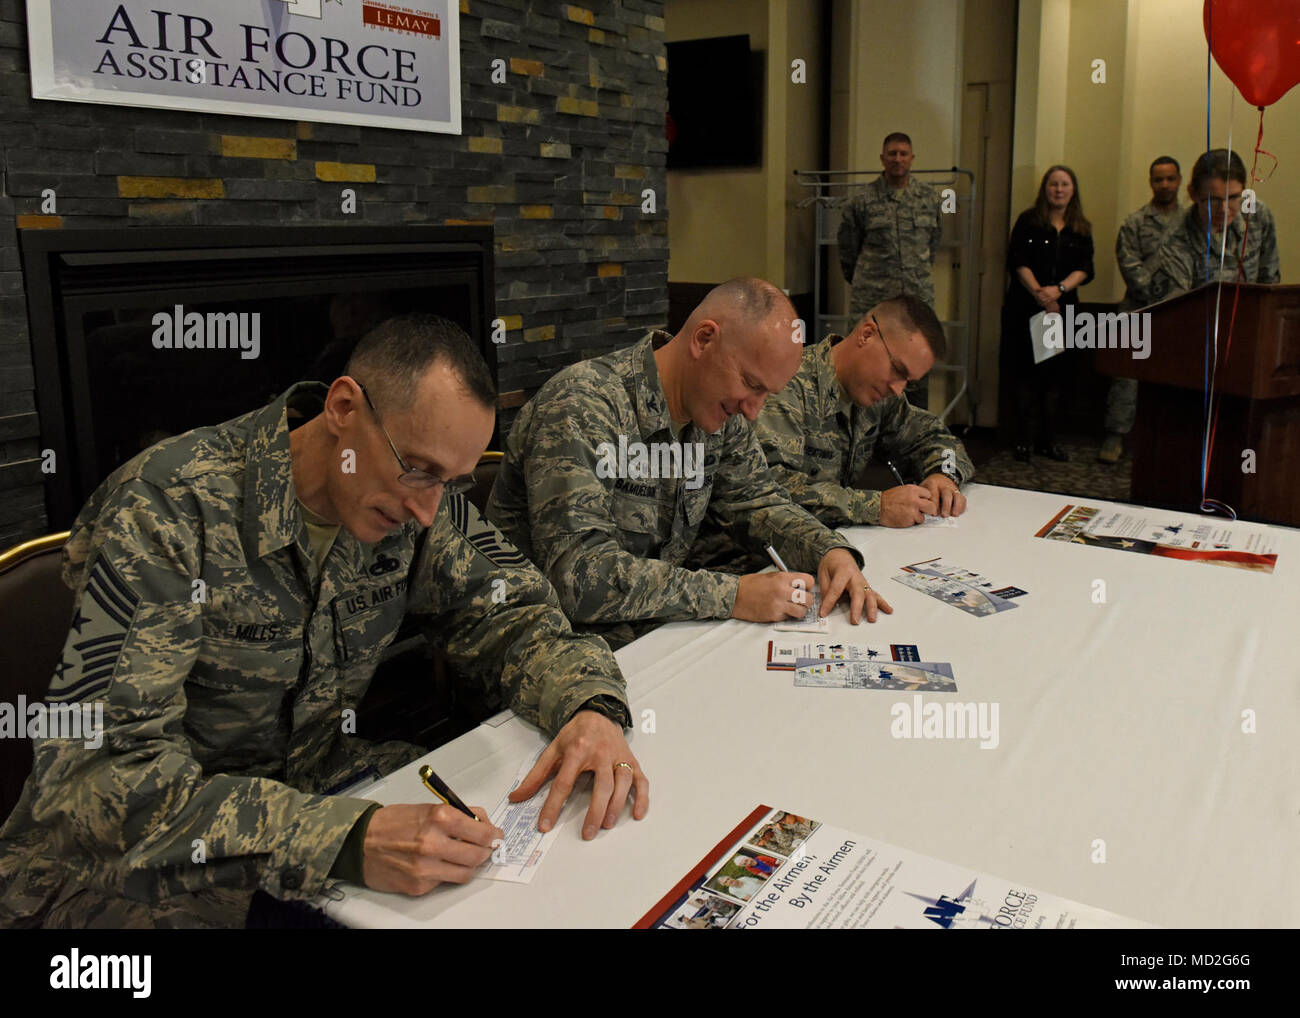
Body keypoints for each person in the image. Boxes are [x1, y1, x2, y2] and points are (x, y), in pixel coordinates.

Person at [0, 313, 648, 929]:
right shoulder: (167, 507)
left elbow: (517, 614)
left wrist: (588, 706)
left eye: (449, 483)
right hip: (133, 866)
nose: (429, 512)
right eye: (419, 470)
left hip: (321, 784)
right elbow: (99, 778)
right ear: (343, 409)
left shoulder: (412, 498)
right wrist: (342, 836)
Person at [486, 278, 889, 651]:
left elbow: (759, 504)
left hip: (648, 633)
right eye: (751, 384)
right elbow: (580, 578)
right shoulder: (584, 404)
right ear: (704, 339)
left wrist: (829, 551)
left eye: (767, 393)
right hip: (551, 649)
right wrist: (733, 595)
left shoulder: (719, 414)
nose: (753, 412)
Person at [753, 295, 974, 530]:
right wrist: (876, 507)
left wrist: (944, 475)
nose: (898, 390)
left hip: (827, 543)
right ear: (867, 335)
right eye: (898, 370)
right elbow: (770, 492)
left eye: (908, 382)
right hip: (757, 557)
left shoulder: (880, 396)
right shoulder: (788, 387)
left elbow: (937, 438)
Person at [837, 132, 944, 407]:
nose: (898, 159)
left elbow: (933, 245)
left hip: (916, 298)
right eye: (892, 154)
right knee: (864, 367)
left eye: (903, 154)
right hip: (873, 299)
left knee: (916, 370)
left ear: (912, 159)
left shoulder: (929, 199)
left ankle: (914, 436)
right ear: (882, 158)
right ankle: (861, 439)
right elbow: (848, 249)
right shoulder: (861, 201)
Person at [999, 165, 1095, 462]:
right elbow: (1017, 260)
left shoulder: (1081, 226)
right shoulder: (1029, 221)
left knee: (1054, 379)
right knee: (1025, 375)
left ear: (1073, 189)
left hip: (1060, 311)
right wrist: (1041, 293)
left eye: (1065, 184)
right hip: (1027, 309)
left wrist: (1059, 291)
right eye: (1053, 184)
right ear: (1045, 188)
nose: (1059, 189)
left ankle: (1048, 440)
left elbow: (1086, 268)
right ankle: (1022, 440)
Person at [1099, 156, 1184, 463]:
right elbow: (1129, 264)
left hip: (1180, 312)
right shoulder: (1135, 222)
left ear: (1180, 180)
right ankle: (1115, 436)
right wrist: (1156, 298)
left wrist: (1177, 301)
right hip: (1138, 309)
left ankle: (1170, 440)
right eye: (1158, 179)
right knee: (1127, 378)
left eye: (1170, 178)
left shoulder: (1191, 222)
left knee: (1176, 376)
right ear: (1151, 182)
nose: (1164, 185)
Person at [1148, 148, 1280, 303]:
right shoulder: (1175, 241)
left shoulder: (1256, 215)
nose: (1224, 209)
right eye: (1213, 200)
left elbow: (1270, 285)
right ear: (1193, 194)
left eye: (1233, 197)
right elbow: (1175, 313)